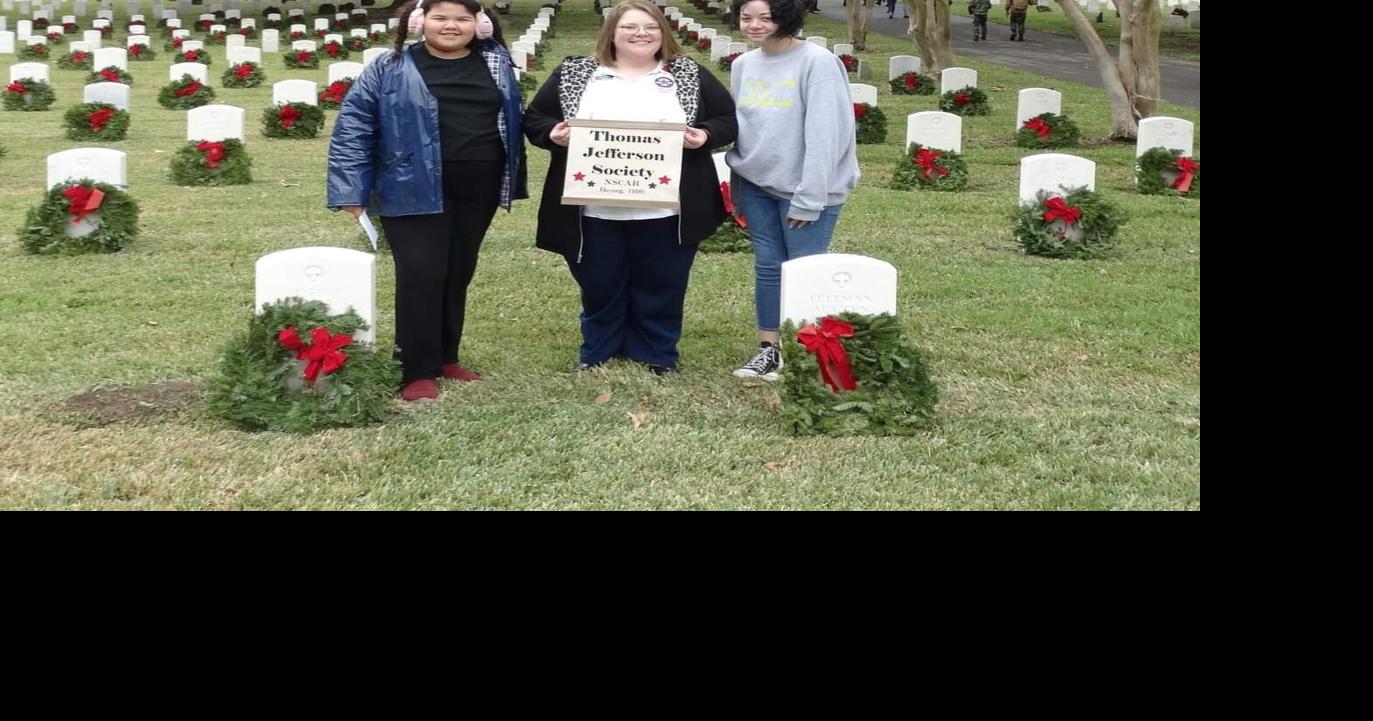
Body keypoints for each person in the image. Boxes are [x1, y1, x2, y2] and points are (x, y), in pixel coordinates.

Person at [523, 0, 737, 375]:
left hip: (667, 208)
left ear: (663, 33)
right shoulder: (577, 73)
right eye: (630, 27)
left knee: (662, 284)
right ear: (612, 33)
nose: (641, 34)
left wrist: (704, 135)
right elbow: (537, 118)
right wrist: (552, 134)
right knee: (599, 283)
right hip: (592, 208)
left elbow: (727, 119)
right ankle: (598, 352)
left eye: (650, 27)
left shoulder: (686, 74)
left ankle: (656, 353)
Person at [327, 0, 527, 401]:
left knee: (457, 270)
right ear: (419, 22)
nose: (450, 26)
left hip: (479, 185)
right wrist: (350, 189)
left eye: (461, 18)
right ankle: (416, 368)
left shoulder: (496, 63)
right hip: (409, 183)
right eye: (440, 17)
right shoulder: (390, 66)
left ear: (478, 24)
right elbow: (354, 125)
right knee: (421, 273)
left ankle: (446, 356)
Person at [727, 0, 859, 381]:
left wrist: (810, 195)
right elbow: (744, 129)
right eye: (746, 17)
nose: (754, 24)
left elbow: (826, 133)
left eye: (765, 17)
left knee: (803, 272)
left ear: (787, 18)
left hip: (805, 188)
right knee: (768, 268)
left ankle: (804, 352)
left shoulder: (816, 62)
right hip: (757, 184)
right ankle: (768, 350)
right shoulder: (742, 65)